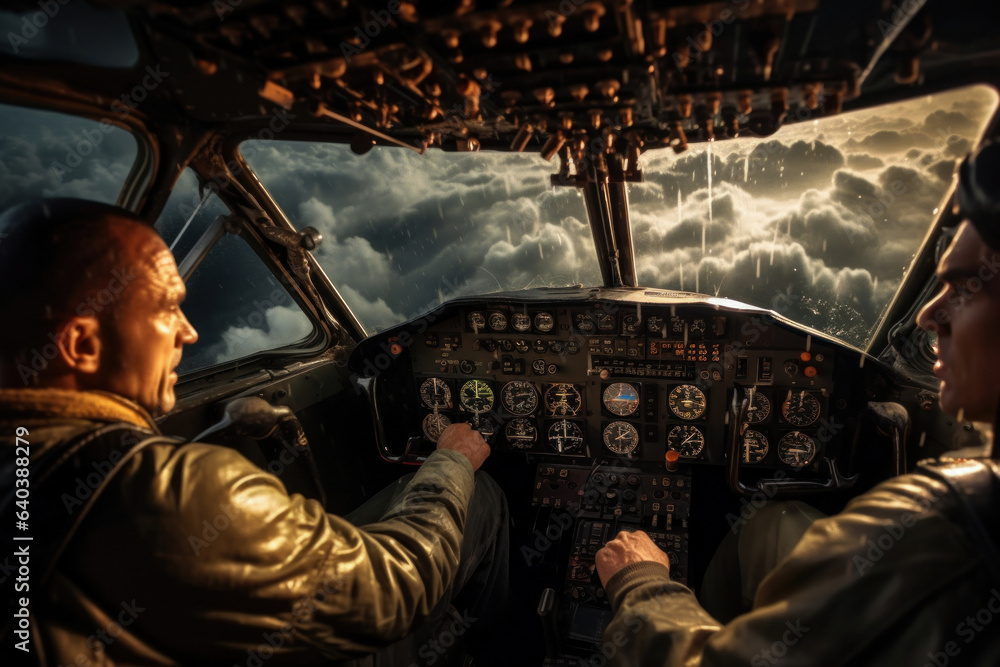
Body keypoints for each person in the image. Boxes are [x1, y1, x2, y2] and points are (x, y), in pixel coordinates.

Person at [0, 198, 508, 665]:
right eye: (166, 309)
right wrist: (453, 462)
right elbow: (400, 587)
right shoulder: (164, 492)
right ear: (81, 345)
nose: (189, 331)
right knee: (478, 496)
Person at [593, 143, 1000, 666]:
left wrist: (642, 583)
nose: (928, 316)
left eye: (965, 288)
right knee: (772, 521)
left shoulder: (940, 524)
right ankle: (718, 613)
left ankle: (702, 619)